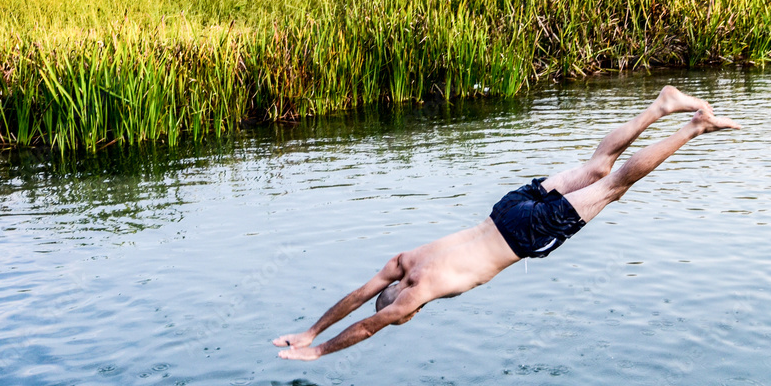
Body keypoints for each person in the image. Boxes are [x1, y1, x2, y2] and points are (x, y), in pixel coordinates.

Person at [273, 86, 740, 361]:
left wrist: (317, 350)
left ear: (400, 303)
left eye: (403, 314)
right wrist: (310, 329)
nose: (408, 316)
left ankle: (692, 127)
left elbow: (368, 323)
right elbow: (359, 293)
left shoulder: (415, 292)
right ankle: (662, 104)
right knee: (597, 165)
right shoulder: (403, 260)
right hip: (505, 211)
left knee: (612, 185)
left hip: (522, 235)